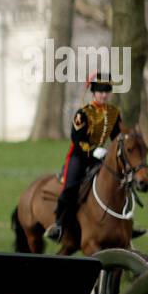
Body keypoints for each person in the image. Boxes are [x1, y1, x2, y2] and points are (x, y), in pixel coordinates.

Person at [48, 72, 122, 242]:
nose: (103, 94)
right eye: (100, 90)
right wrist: (94, 150)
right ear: (94, 92)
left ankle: (125, 221)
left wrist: (114, 152)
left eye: (106, 90)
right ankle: (59, 224)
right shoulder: (83, 113)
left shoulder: (114, 113)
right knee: (71, 186)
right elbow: (77, 138)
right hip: (80, 156)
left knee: (122, 181)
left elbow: (117, 137)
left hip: (101, 157)